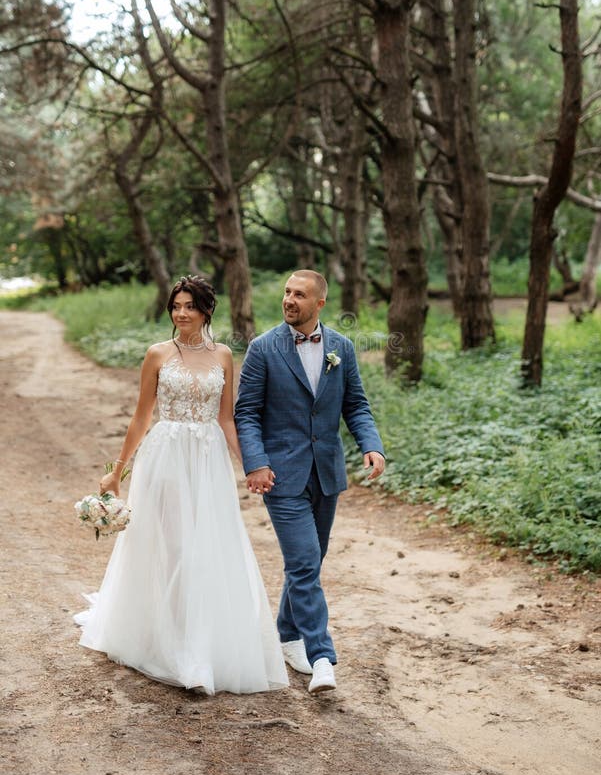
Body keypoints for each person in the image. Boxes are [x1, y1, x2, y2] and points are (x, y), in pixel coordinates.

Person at [75, 276, 288, 696]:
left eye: (190, 305)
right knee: (174, 548)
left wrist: (251, 466)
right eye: (176, 306)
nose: (181, 313)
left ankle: (200, 644)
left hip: (207, 460)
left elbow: (226, 419)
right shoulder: (157, 354)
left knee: (205, 547)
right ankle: (178, 649)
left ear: (207, 310)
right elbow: (141, 418)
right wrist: (116, 472)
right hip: (166, 457)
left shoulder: (224, 356)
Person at [234, 270, 385, 694]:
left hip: (327, 470)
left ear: (319, 303)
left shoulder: (342, 347)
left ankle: (287, 635)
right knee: (303, 563)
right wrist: (256, 463)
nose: (289, 300)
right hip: (280, 475)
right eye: (285, 292)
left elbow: (356, 404)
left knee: (309, 562)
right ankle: (322, 658)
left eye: (299, 295)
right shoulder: (263, 349)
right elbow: (246, 413)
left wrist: (371, 446)